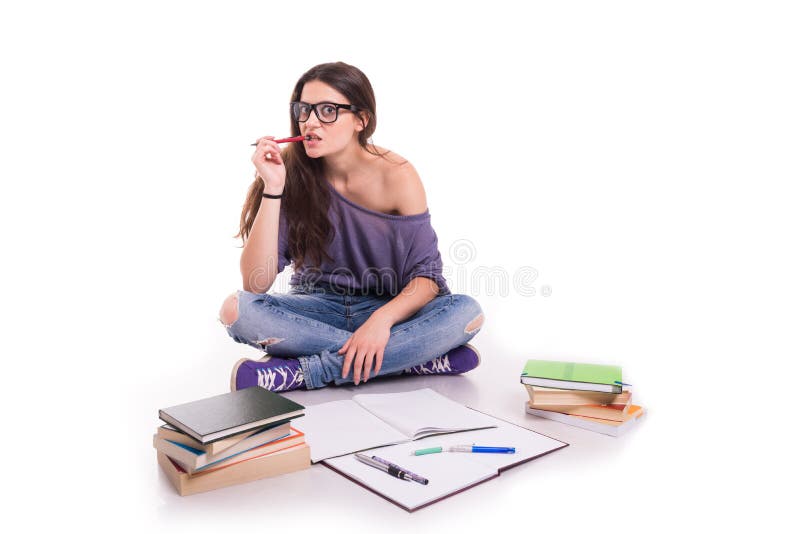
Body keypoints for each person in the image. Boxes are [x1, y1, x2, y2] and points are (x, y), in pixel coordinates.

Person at [218, 62, 484, 392]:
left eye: (328, 110)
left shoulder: (397, 175)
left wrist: (380, 322)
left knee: (466, 312)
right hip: (317, 308)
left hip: (388, 307)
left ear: (361, 120)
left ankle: (304, 372)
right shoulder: (289, 171)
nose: (310, 121)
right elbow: (255, 283)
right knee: (236, 310)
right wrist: (273, 187)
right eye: (304, 110)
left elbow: (427, 280)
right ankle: (413, 359)